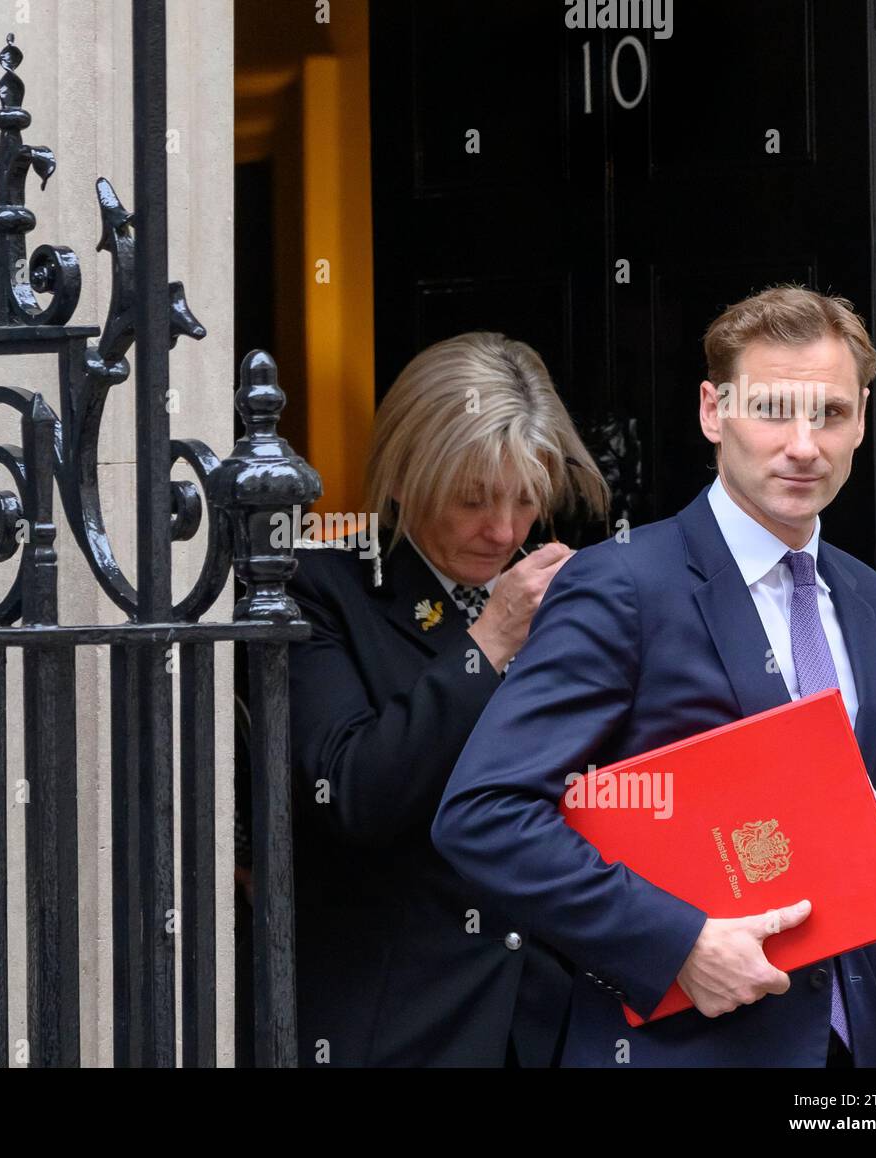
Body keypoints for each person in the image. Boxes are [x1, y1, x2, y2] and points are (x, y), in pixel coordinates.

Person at [432, 286, 876, 1068]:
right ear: (712, 412)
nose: (804, 445)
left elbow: (873, 855)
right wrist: (679, 943)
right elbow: (484, 813)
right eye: (772, 410)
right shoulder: (624, 586)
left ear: (860, 415)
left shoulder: (874, 603)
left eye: (828, 413)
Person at [288, 331, 608, 1066]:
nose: (502, 530)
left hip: (553, 1022)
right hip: (403, 1025)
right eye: (472, 500)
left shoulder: (566, 597)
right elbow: (352, 794)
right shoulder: (324, 587)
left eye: (527, 500)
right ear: (404, 478)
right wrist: (490, 639)